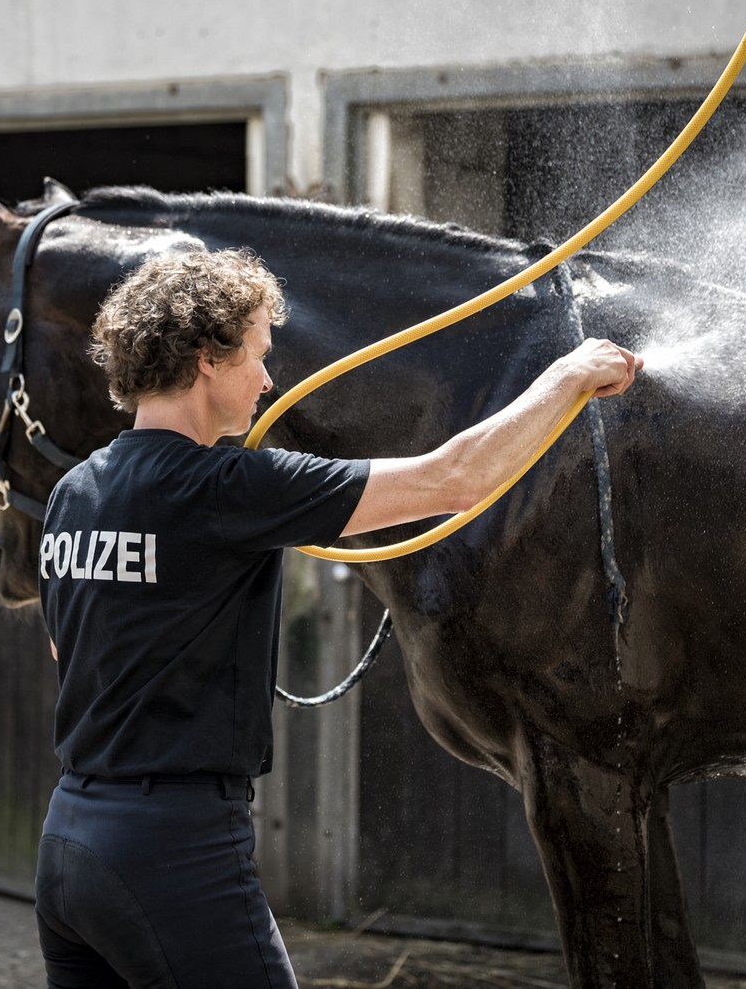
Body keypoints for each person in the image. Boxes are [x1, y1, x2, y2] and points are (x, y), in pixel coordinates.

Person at [34, 247, 641, 988]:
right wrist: (568, 377)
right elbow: (455, 479)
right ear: (204, 360)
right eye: (256, 355)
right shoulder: (227, 487)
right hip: (173, 848)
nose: (266, 378)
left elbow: (70, 651)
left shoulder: (74, 494)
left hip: (69, 843)